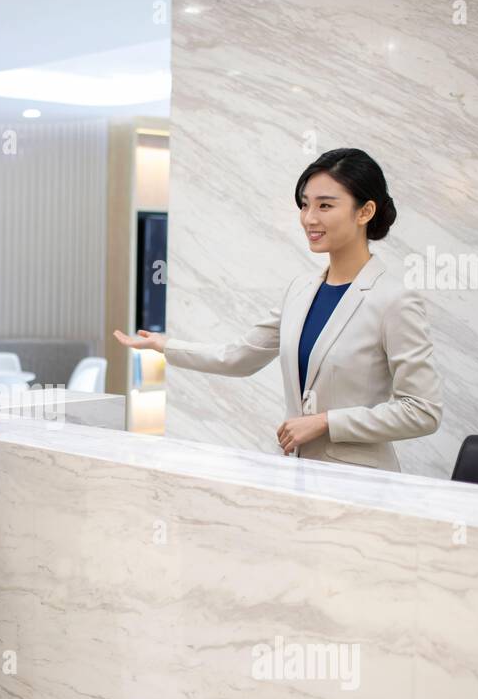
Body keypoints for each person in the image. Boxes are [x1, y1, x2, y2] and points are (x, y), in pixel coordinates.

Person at [115, 148, 442, 471]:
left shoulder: (394, 300)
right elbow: (239, 357)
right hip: (297, 473)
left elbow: (422, 410)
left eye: (325, 205)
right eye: (305, 204)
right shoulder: (300, 290)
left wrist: (327, 422)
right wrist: (165, 345)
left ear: (365, 211)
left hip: (361, 482)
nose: (309, 218)